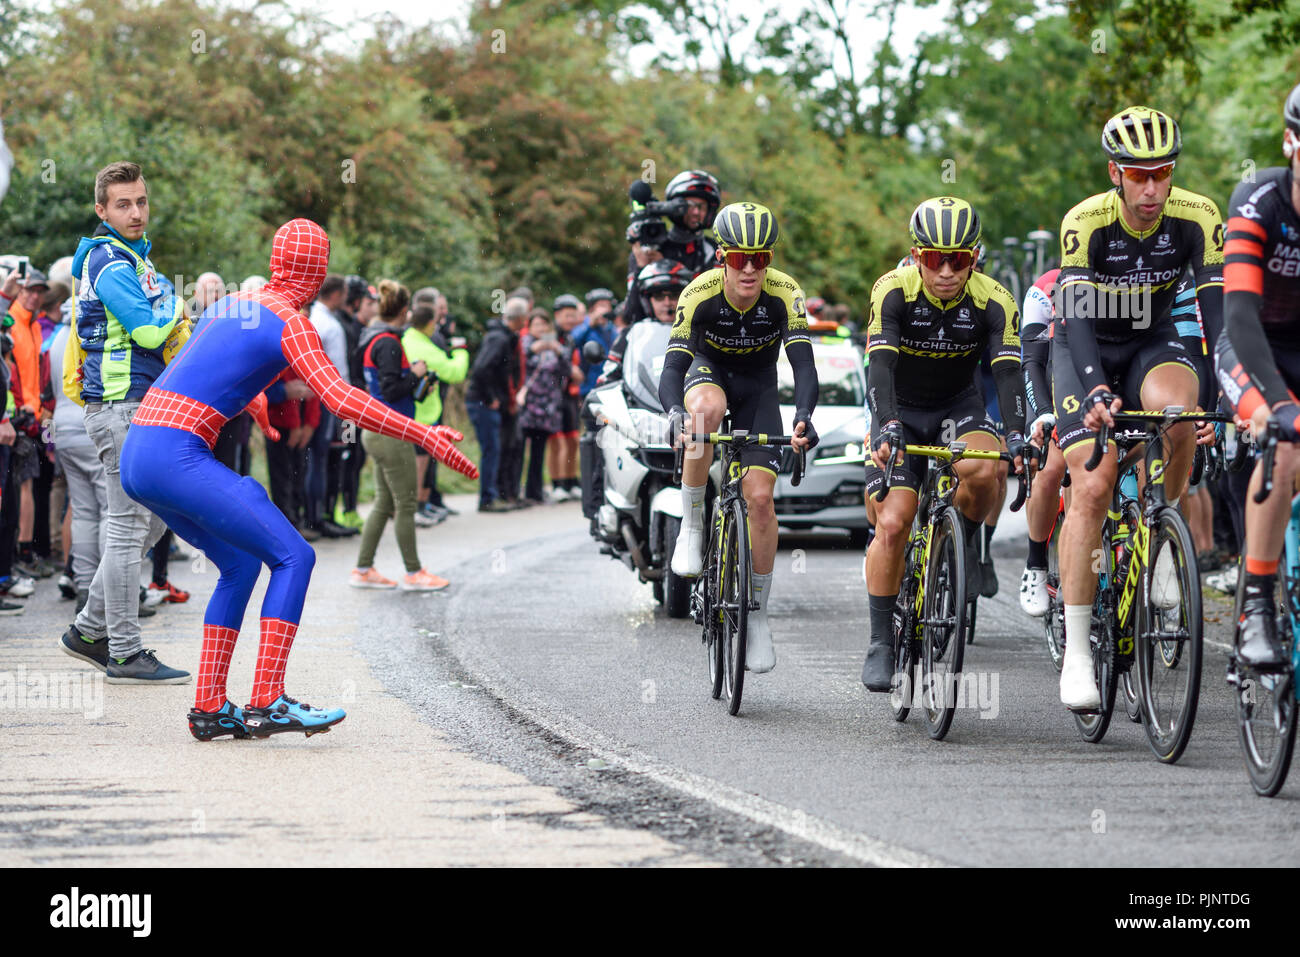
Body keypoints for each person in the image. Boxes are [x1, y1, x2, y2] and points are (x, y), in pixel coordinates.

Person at [118, 219, 477, 739]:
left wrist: (257, 406)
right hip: (177, 454)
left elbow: (207, 366)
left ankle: (210, 708)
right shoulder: (290, 322)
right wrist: (423, 432)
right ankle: (267, 700)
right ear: (318, 275)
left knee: (240, 565)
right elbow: (340, 398)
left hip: (140, 453)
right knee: (294, 556)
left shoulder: (228, 305)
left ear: (274, 262)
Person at [1053, 106, 1223, 710]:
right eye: (1138, 175)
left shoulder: (1198, 215)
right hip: (1087, 347)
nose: (1152, 189)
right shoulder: (1086, 221)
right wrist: (1097, 390)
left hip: (1153, 342)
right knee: (1093, 485)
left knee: (1180, 416)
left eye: (1163, 174)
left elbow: (1216, 315)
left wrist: (1225, 388)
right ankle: (1077, 653)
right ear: (1115, 172)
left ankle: (1164, 535)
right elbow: (1072, 321)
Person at [860, 198, 1025, 690]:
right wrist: (887, 423)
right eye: (935, 259)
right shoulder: (892, 291)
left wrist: (1018, 433)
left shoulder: (995, 300)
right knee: (892, 521)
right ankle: (880, 642)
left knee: (986, 468)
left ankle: (964, 542)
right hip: (901, 411)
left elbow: (1008, 375)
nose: (948, 271)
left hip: (958, 407)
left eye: (960, 259)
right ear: (916, 256)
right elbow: (881, 368)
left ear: (975, 257)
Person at [660, 202, 819, 674]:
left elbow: (804, 364)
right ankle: (691, 525)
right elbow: (672, 366)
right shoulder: (699, 294)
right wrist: (673, 412)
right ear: (721, 258)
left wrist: (803, 416)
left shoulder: (785, 292)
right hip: (709, 374)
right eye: (738, 258)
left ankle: (757, 615)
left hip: (759, 389)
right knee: (703, 415)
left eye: (761, 258)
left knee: (761, 500)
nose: (750, 268)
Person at [58, 161, 192, 685]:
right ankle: (124, 651)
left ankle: (90, 630)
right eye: (122, 204)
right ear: (102, 210)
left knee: (154, 517)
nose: (135, 212)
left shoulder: (131, 259)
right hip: (120, 406)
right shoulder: (112, 263)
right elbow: (148, 332)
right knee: (128, 524)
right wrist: (177, 305)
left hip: (133, 404)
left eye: (140, 202)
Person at [1215, 82, 1300, 671]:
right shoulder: (1258, 198)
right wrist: (1279, 404)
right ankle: (1256, 607)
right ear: (1292, 143)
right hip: (1253, 346)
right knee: (1286, 444)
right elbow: (1239, 313)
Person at [1018, 268, 1068, 617]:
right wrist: (1044, 414)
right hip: (1051, 385)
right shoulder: (1044, 289)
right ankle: (1035, 563)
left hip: (1108, 384)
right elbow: (1033, 362)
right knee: (1050, 470)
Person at [403, 293, 468, 524]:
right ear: (430, 323)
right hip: (424, 415)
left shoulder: (408, 337)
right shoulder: (424, 346)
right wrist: (461, 350)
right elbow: (454, 371)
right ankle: (417, 507)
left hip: (416, 412)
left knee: (422, 462)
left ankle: (422, 505)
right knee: (421, 464)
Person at [466, 296, 527, 512]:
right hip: (482, 402)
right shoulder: (498, 339)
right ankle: (487, 499)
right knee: (492, 449)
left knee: (498, 448)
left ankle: (496, 494)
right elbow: (482, 369)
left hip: (492, 401)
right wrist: (491, 397)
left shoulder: (506, 337)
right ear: (520, 318)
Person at [304, 274, 354, 538]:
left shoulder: (316, 319)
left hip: (317, 396)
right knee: (322, 458)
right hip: (329, 398)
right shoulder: (330, 325)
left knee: (319, 458)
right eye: (344, 293)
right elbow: (337, 369)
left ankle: (315, 516)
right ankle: (318, 518)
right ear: (335, 294)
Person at [518, 312, 566, 503]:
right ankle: (513, 490)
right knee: (519, 450)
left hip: (547, 406)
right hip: (528, 404)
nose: (541, 329)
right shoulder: (524, 343)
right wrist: (532, 350)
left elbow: (565, 368)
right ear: (529, 327)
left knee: (539, 451)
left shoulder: (552, 346)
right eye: (536, 325)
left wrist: (558, 350)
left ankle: (534, 491)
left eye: (543, 325)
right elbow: (521, 363)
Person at [546, 294, 584, 501]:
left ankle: (571, 481)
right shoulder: (549, 335)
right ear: (557, 315)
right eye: (567, 316)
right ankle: (557, 483)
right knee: (557, 441)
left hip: (569, 394)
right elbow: (549, 361)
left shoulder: (570, 337)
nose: (571, 320)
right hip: (552, 395)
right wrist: (571, 369)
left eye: (573, 316)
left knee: (572, 439)